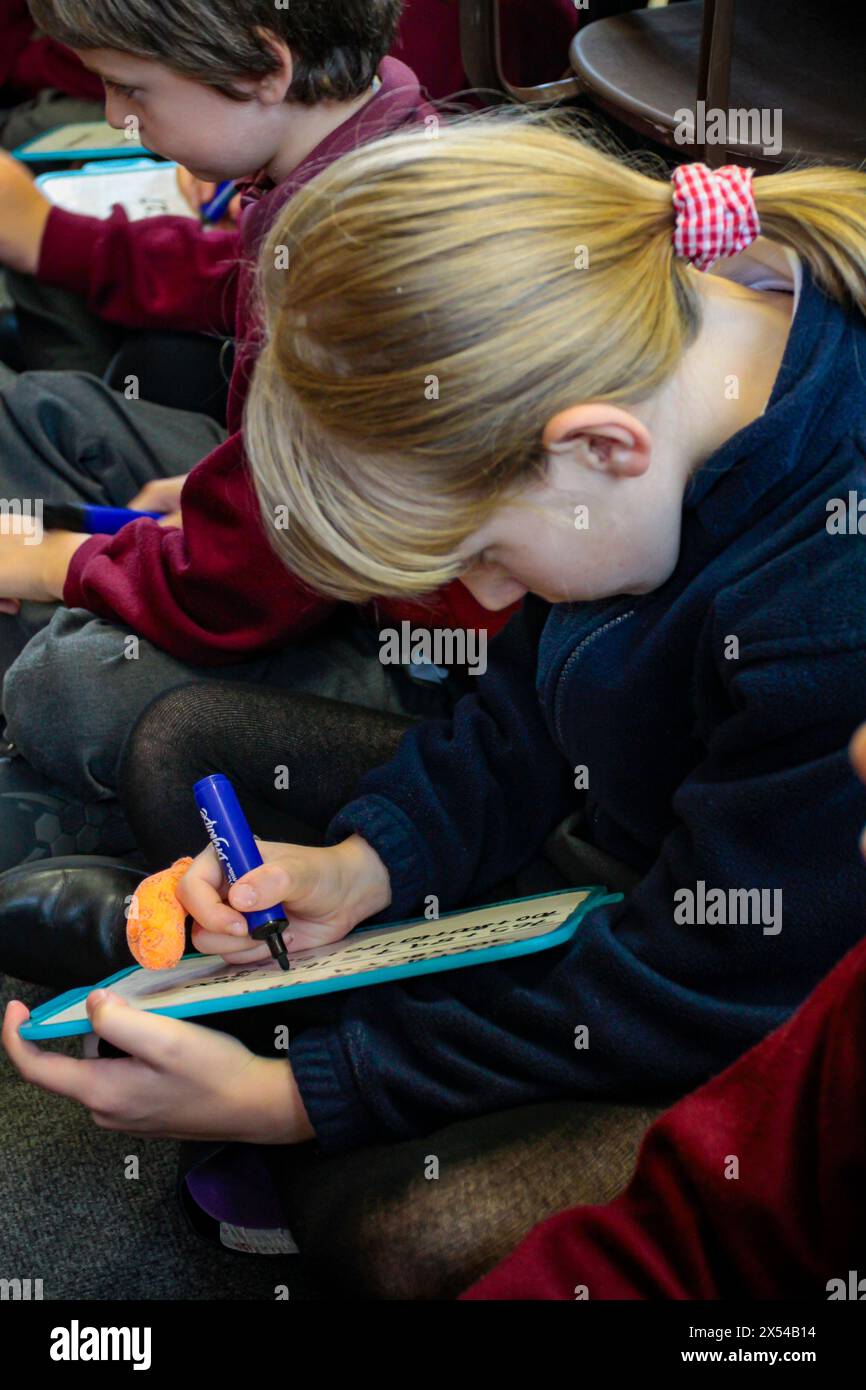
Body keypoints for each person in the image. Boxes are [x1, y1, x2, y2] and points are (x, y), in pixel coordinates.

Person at [4, 119, 866, 1177]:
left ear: (600, 448)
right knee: (182, 741)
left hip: (733, 969)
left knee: (395, 1230)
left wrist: (296, 1100)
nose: (492, 597)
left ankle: (328, 1059)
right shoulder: (635, 402)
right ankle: (353, 1026)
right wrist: (369, 864)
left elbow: (703, 981)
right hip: (619, 847)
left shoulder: (826, 610)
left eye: (489, 555)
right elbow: (527, 713)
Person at [0, 1, 508, 877]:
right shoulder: (373, 110)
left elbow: (251, 583)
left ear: (266, 69)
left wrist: (53, 563)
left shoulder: (356, 247)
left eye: (131, 89)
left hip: (409, 652)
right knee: (38, 417)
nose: (119, 117)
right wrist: (209, 488)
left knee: (69, 691)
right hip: (295, 553)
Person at [461, 721, 866, 1299]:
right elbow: (697, 1239)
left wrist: (334, 1082)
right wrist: (370, 860)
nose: (858, 748)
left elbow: (669, 980)